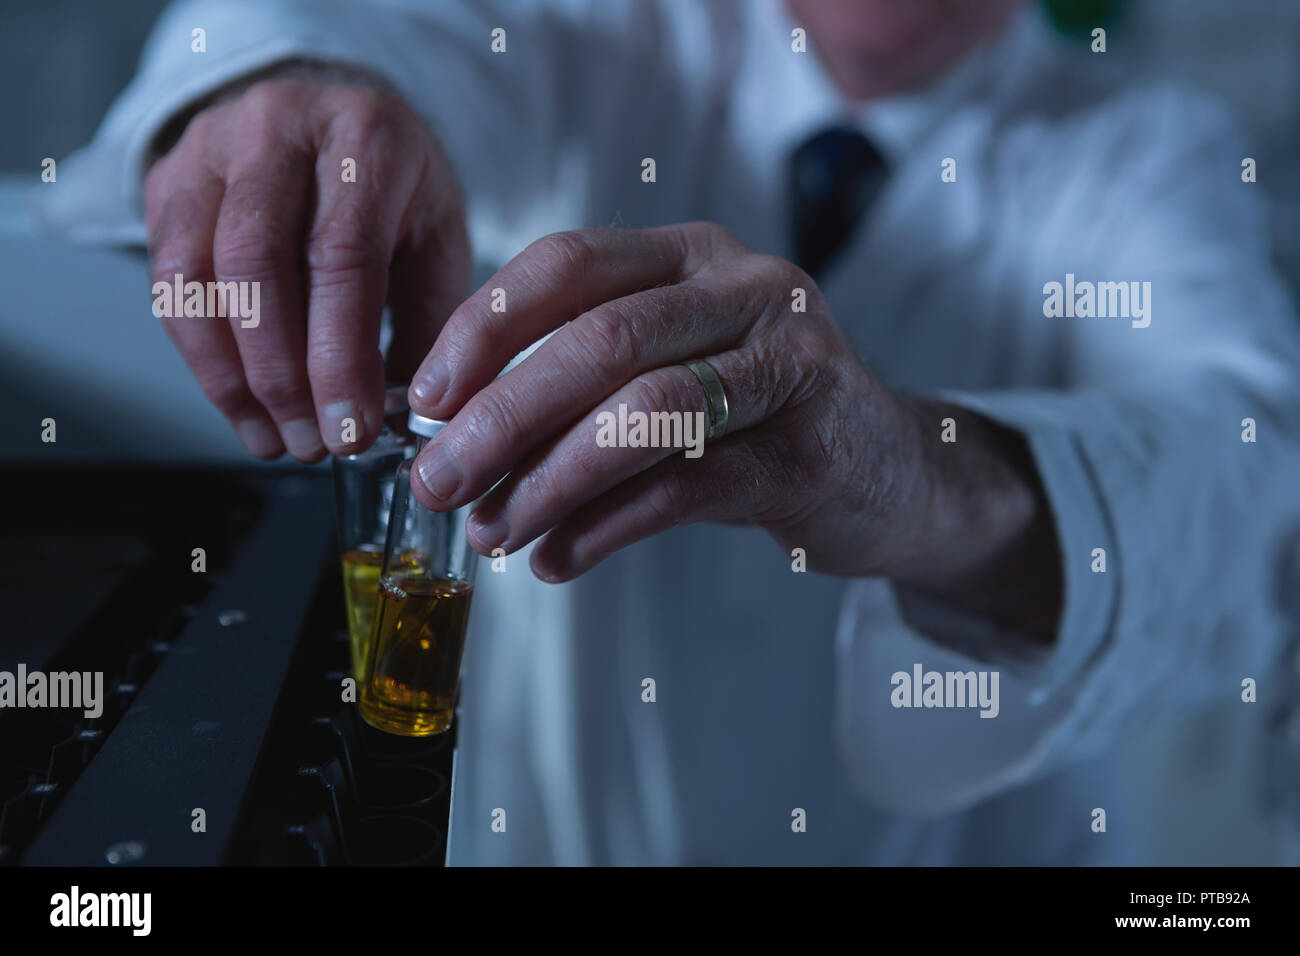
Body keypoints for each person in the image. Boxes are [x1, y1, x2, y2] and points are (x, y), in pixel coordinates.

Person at [37, 0, 1300, 864]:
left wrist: (907, 473)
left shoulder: (1149, 150)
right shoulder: (603, 32)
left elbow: (1242, 492)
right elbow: (346, 14)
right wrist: (292, 85)